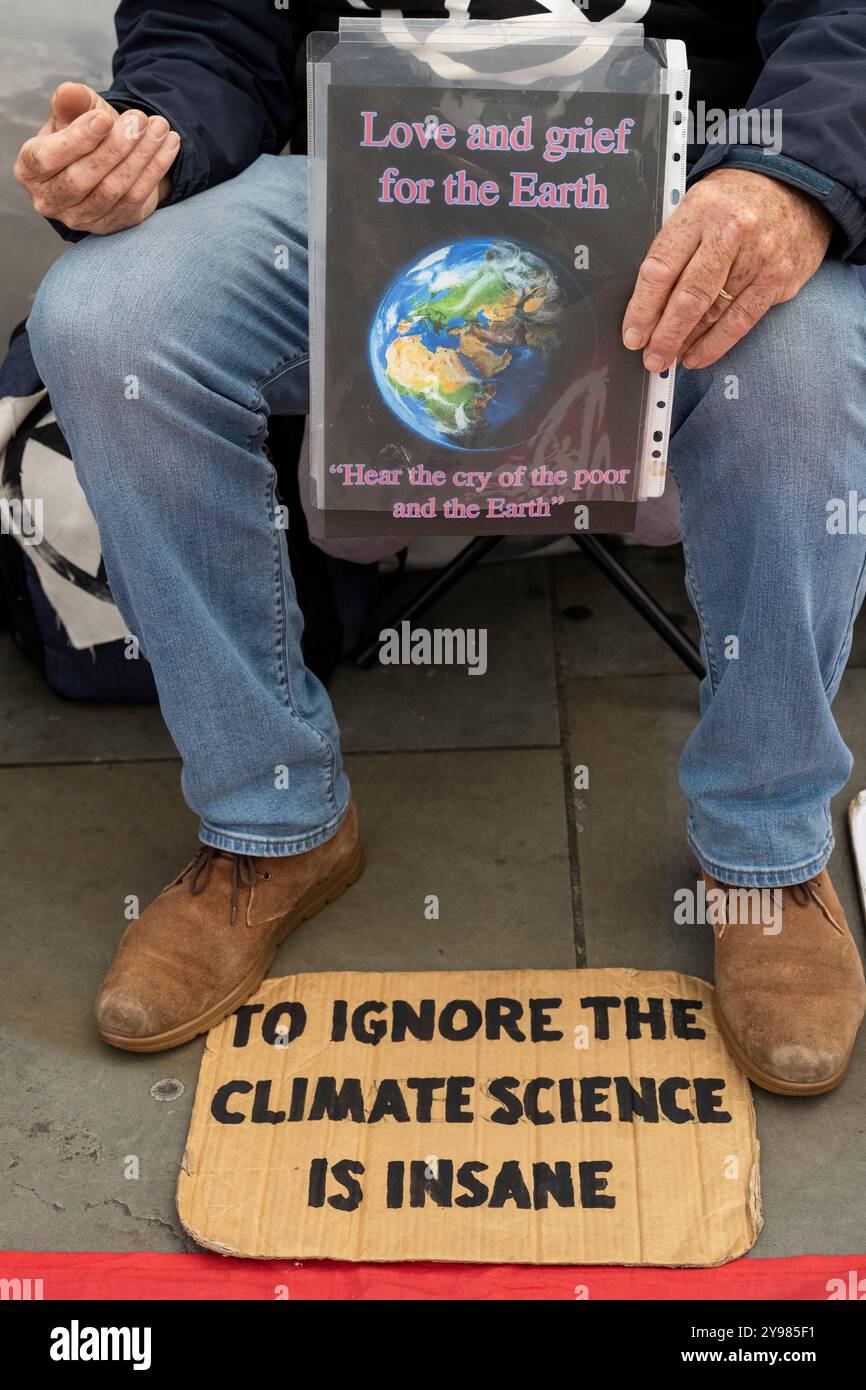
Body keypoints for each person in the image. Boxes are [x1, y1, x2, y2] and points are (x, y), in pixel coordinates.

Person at [13, 1, 866, 1092]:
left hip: (691, 179)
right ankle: (269, 821)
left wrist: (793, 176)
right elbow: (207, 25)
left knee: (808, 358)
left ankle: (765, 854)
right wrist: (149, 136)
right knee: (104, 316)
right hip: (376, 184)